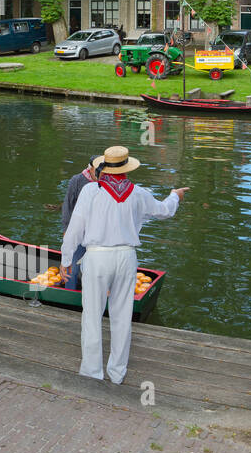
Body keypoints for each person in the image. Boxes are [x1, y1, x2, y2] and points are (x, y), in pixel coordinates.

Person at [61, 145, 188, 384]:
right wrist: (175, 196)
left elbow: (74, 230)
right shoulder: (139, 193)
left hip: (97, 257)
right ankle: (117, 373)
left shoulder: (90, 191)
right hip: (126, 257)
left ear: (104, 167)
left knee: (92, 316)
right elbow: (164, 211)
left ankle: (92, 372)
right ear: (127, 168)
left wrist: (66, 260)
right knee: (121, 316)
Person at [59, 154, 103, 287]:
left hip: (98, 235)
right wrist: (66, 230)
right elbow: (68, 206)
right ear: (90, 169)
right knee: (72, 266)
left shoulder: (106, 185)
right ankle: (69, 295)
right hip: (79, 231)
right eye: (97, 170)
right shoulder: (77, 180)